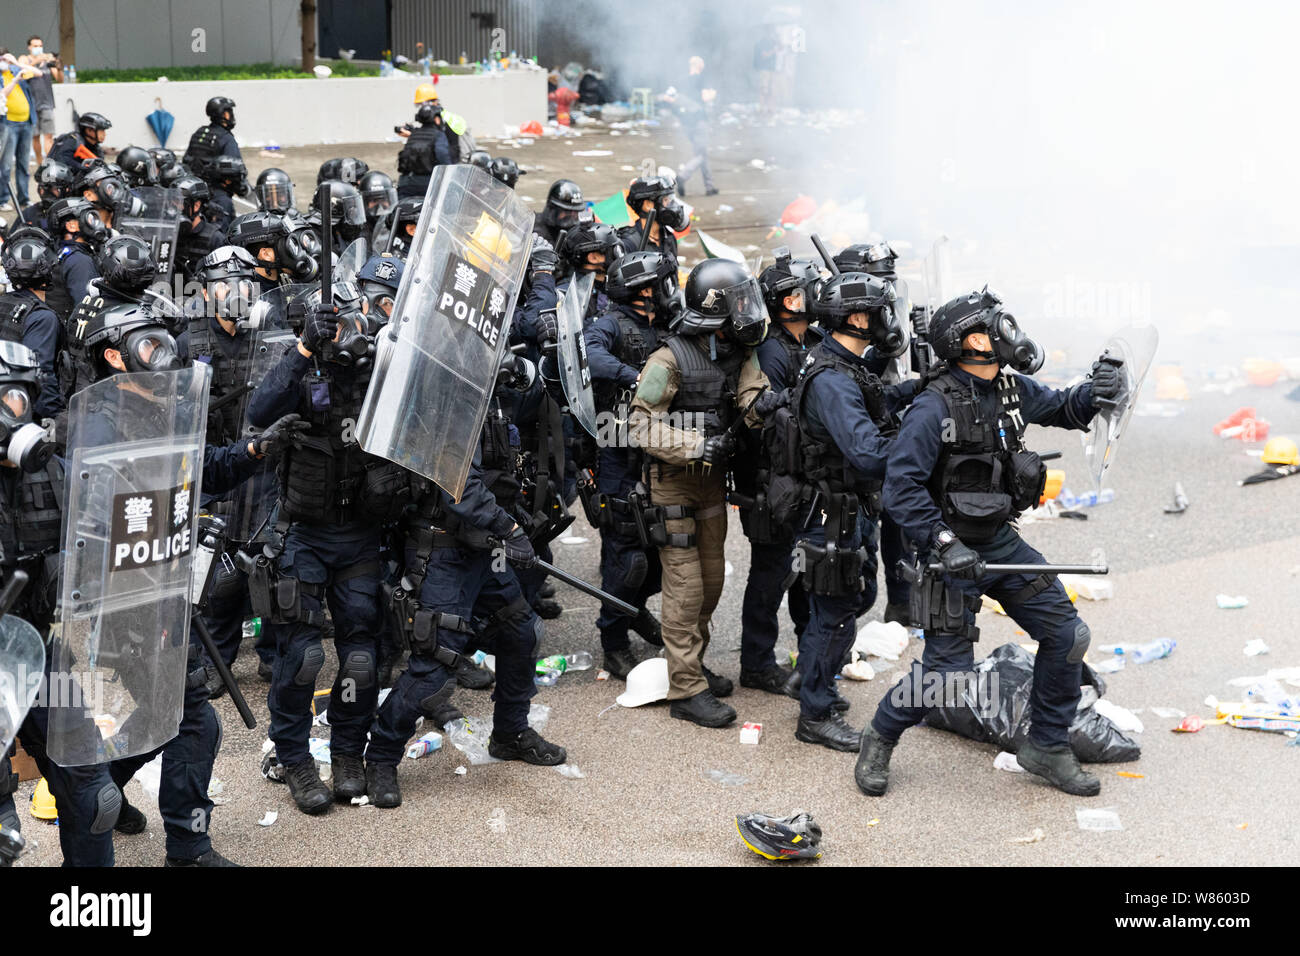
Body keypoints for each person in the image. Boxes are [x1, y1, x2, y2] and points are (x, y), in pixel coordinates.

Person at [856, 287, 1124, 797]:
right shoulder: (931, 407)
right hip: (944, 554)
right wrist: (941, 544)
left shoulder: (1009, 388)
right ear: (973, 340)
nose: (1011, 333)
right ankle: (882, 734)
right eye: (999, 325)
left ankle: (1046, 746)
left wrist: (1099, 386)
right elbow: (901, 487)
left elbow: (1066, 407)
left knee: (1068, 636)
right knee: (947, 677)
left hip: (999, 541)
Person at [65, 295, 301, 865]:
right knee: (107, 738)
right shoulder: (92, 430)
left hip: (162, 604)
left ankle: (187, 845)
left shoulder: (162, 410)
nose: (163, 350)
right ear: (113, 357)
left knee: (189, 722)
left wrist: (251, 451)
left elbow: (202, 473)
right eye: (148, 340)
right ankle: (100, 802)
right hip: (105, 616)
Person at [364, 363, 569, 808]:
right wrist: (510, 529)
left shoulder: (488, 395)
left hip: (481, 548)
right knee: (434, 666)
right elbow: (459, 490)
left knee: (521, 631)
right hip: (443, 553)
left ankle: (510, 733)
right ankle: (380, 756)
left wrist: (525, 369)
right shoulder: (451, 401)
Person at [244, 292, 396, 816]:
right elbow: (259, 411)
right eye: (331, 324)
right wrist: (307, 349)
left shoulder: (374, 363)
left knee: (360, 656)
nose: (342, 332)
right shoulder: (296, 364)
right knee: (303, 656)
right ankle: (294, 758)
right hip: (304, 533)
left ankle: (349, 753)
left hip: (359, 534)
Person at [628, 259, 769, 726]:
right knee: (685, 589)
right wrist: (696, 444)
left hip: (711, 485)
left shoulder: (737, 350)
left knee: (711, 582)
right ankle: (685, 689)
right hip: (674, 486)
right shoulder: (668, 359)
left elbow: (751, 397)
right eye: (739, 301)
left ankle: (691, 665)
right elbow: (638, 424)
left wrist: (767, 410)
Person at [783, 270, 917, 751]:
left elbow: (876, 402)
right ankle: (815, 713)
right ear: (858, 318)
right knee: (835, 610)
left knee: (855, 599)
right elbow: (868, 452)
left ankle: (810, 678)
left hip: (847, 506)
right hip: (830, 511)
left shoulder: (844, 363)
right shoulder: (833, 380)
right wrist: (917, 440)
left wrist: (921, 387)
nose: (886, 320)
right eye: (879, 311)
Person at [177, 245, 280, 688]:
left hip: (265, 465)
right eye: (224, 285)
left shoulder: (273, 334)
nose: (234, 293)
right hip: (218, 468)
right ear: (207, 292)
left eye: (243, 284)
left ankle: (274, 654)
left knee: (272, 564)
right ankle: (218, 660)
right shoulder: (189, 342)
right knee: (217, 575)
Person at [731, 250, 824, 699]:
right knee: (770, 574)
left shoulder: (812, 340)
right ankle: (756, 663)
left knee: (807, 571)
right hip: (771, 484)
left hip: (804, 481)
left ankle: (811, 656)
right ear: (787, 300)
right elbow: (770, 422)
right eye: (807, 289)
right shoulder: (771, 350)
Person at [581, 249, 677, 677]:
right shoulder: (609, 324)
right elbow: (588, 357)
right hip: (618, 447)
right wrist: (634, 376)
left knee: (661, 552)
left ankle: (634, 609)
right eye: (656, 284)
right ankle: (613, 640)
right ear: (639, 289)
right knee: (626, 555)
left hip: (660, 449)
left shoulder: (667, 325)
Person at [0, 228, 63, 419]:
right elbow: (42, 376)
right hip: (22, 416)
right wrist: (54, 422)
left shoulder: (3, 302)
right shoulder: (43, 318)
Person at [43, 196, 108, 322]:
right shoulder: (79, 261)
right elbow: (88, 312)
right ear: (72, 226)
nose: (96, 222)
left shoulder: (63, 252)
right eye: (89, 217)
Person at [670, 56, 718, 198]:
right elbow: (705, 98)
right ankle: (682, 176)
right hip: (699, 121)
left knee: (702, 154)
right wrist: (713, 94)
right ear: (700, 65)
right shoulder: (700, 79)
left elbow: (672, 99)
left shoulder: (682, 81)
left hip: (687, 124)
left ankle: (710, 186)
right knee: (701, 155)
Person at [616, 175, 685, 267]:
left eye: (670, 200)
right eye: (665, 200)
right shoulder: (629, 243)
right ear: (647, 205)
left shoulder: (669, 238)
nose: (671, 205)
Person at [0, 52, 36, 212]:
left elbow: (37, 73)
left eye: (5, 59)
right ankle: (3, 199)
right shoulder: (5, 77)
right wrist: (15, 80)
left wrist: (16, 62)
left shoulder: (15, 69)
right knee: (6, 165)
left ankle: (24, 198)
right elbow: (3, 95)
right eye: (1, 59)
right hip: (8, 124)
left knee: (23, 163)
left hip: (26, 123)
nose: (4, 62)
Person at [395, 100, 454, 200]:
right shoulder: (438, 135)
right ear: (436, 119)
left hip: (408, 183)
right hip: (429, 184)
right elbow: (443, 159)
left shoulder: (413, 134)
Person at [17, 36, 60, 164]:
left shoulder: (46, 61)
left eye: (40, 45)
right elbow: (21, 72)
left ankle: (50, 164)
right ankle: (40, 163)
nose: (38, 48)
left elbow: (59, 78)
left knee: (49, 136)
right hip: (31, 104)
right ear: (29, 47)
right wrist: (36, 61)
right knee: (35, 136)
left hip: (47, 103)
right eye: (35, 46)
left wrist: (59, 64)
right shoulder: (24, 58)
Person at [173, 175, 224, 283]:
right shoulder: (168, 232)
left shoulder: (215, 239)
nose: (174, 207)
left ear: (196, 206)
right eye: (172, 202)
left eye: (179, 203)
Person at [183, 96, 240, 184]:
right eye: (229, 111)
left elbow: (186, 161)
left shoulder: (199, 132)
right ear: (223, 114)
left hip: (193, 185)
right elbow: (236, 170)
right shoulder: (226, 138)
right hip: (215, 190)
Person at [9, 158, 74, 234]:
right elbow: (10, 241)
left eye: (55, 189)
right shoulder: (28, 214)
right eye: (43, 187)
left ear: (66, 190)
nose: (48, 193)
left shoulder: (73, 215)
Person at [533, 179, 585, 247]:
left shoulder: (579, 233)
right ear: (552, 209)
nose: (572, 215)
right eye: (567, 211)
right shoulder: (533, 231)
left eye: (576, 212)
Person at [357, 170, 396, 236]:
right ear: (364, 202)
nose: (380, 206)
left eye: (383, 200)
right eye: (374, 200)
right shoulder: (358, 229)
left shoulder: (397, 224)